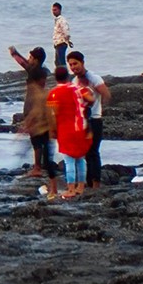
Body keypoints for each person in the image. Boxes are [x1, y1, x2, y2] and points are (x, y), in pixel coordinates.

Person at [65, 50, 110, 187]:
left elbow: (106, 94)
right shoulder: (75, 81)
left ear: (82, 63)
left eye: (75, 64)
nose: (73, 67)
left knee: (93, 152)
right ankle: (87, 182)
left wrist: (98, 108)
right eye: (71, 65)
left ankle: (96, 183)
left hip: (95, 119)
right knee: (83, 152)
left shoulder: (94, 78)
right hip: (82, 121)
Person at [10, 46, 56, 177]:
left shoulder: (34, 71)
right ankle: (45, 163)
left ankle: (37, 167)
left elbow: (23, 63)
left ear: (35, 60)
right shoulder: (42, 70)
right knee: (44, 137)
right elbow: (25, 63)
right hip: (41, 104)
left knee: (35, 138)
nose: (28, 59)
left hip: (32, 104)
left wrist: (14, 53)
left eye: (31, 57)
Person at [47, 67, 91, 199]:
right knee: (80, 159)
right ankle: (81, 186)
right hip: (81, 127)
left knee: (69, 160)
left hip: (66, 129)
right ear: (67, 76)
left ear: (56, 77)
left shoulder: (54, 93)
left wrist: (52, 130)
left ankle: (71, 188)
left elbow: (53, 114)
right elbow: (91, 99)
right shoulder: (78, 89)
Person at [51, 2, 74, 67]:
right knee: (57, 61)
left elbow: (66, 31)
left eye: (55, 10)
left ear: (59, 10)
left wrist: (67, 40)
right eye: (53, 10)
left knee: (61, 60)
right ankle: (60, 73)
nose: (53, 12)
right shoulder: (57, 20)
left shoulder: (62, 20)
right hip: (57, 43)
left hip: (61, 42)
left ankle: (64, 74)